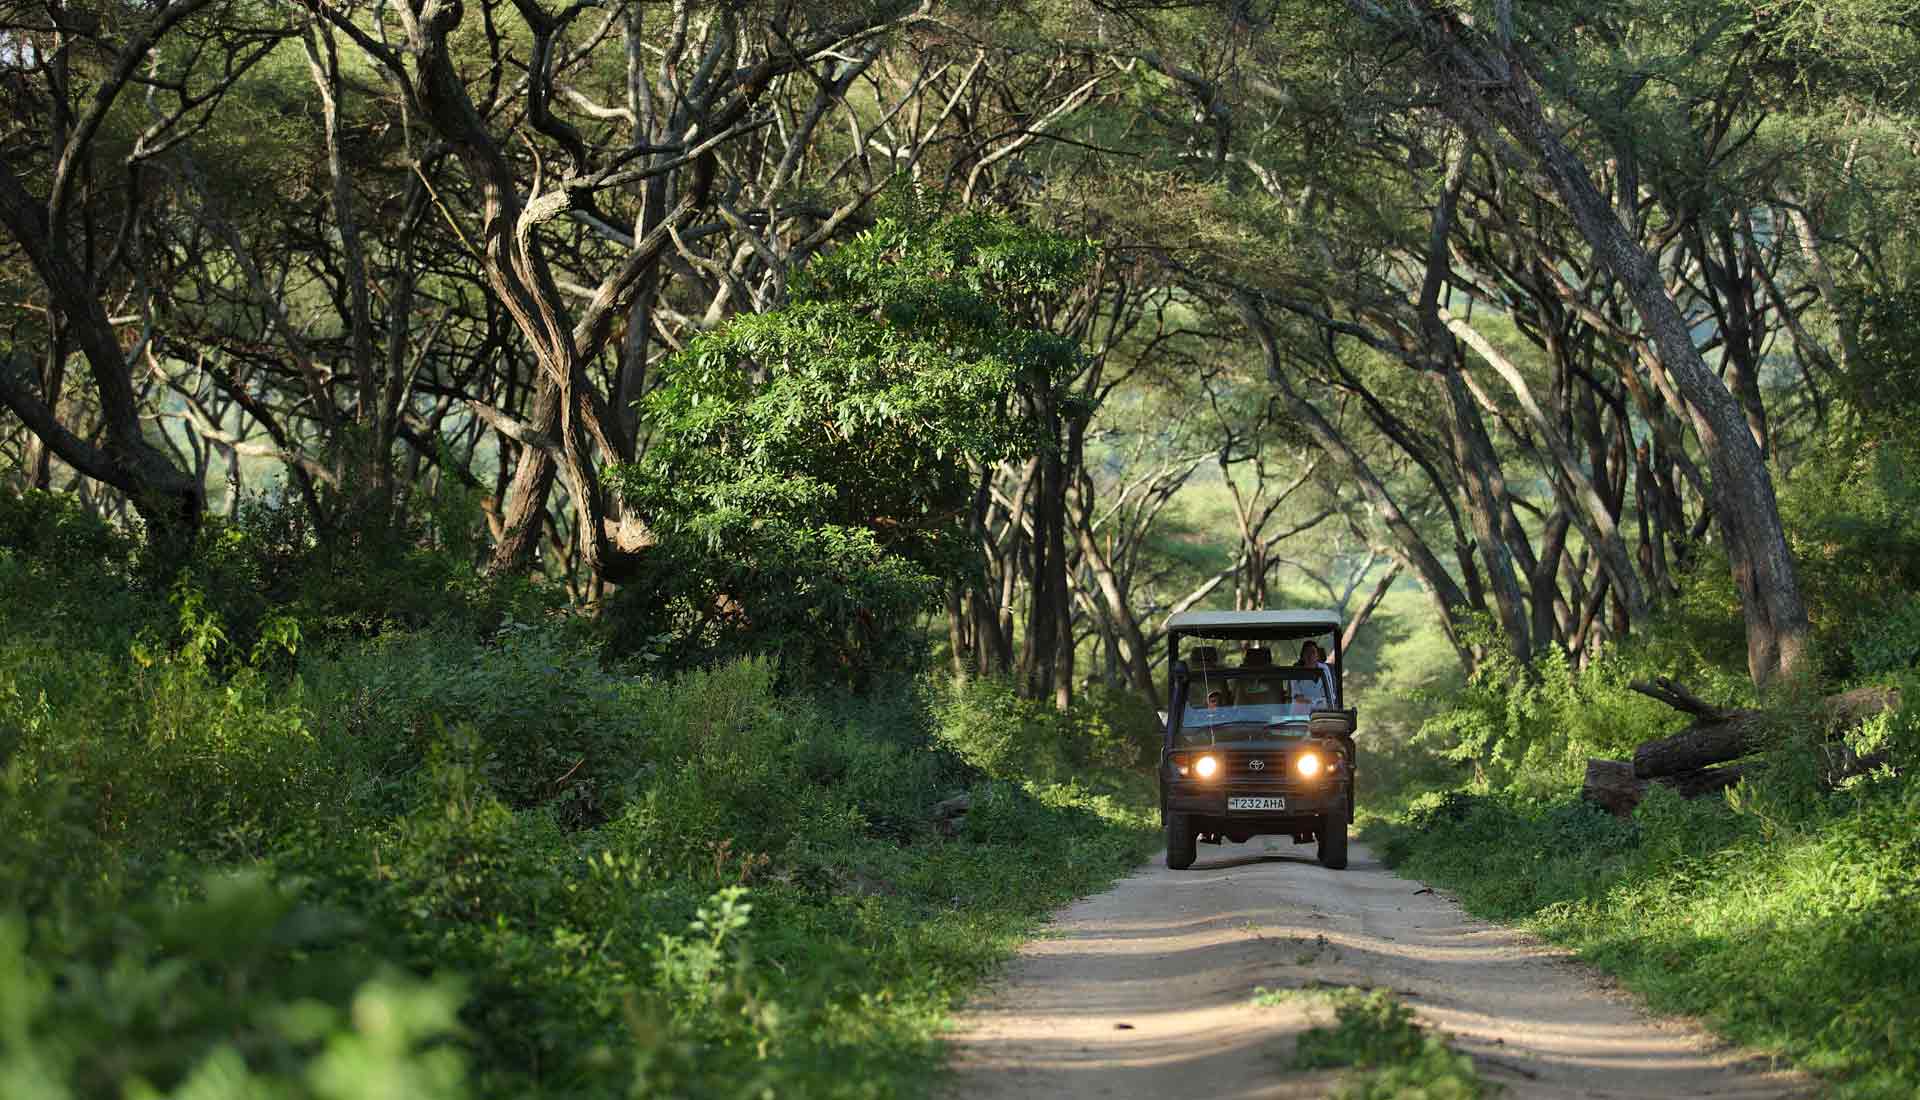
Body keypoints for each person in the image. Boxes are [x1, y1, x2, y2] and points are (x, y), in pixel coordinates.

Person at [1294, 640, 1335, 708]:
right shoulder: (1296, 671)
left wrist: (1312, 702)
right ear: (1302, 656)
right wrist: (1315, 702)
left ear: (1317, 656)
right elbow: (1297, 698)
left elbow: (1329, 695)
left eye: (1313, 652)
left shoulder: (1324, 669)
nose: (1310, 655)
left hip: (1322, 710)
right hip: (1302, 710)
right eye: (1307, 652)